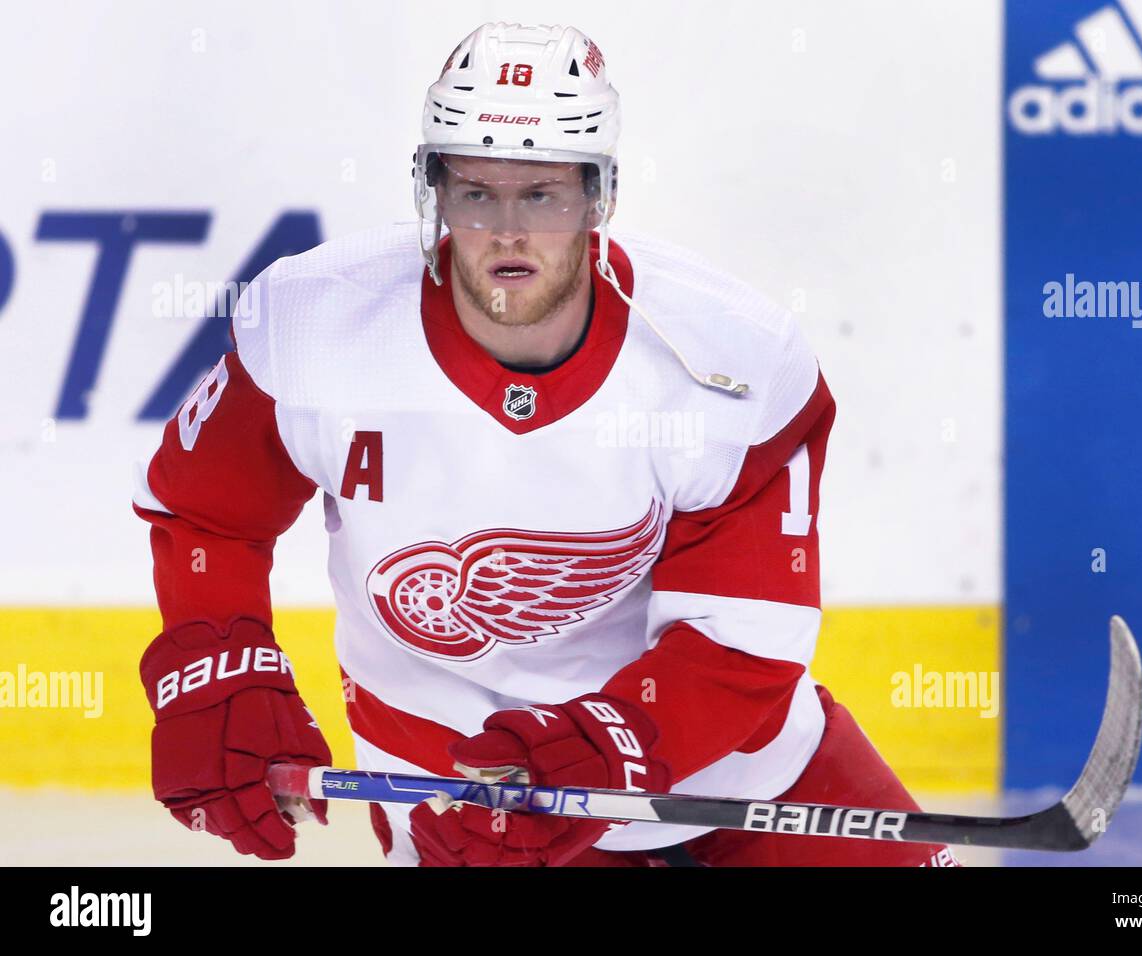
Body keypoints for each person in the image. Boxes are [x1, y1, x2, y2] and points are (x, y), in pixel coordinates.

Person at [133, 20, 959, 868]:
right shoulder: (316, 325)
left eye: (544, 196)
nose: (506, 233)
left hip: (738, 772)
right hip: (460, 792)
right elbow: (207, 514)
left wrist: (604, 745)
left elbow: (739, 643)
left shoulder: (731, 361)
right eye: (476, 193)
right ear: (433, 190)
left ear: (599, 198)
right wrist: (216, 660)